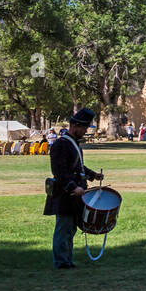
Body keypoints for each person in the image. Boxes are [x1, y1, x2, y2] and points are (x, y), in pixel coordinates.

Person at [45, 107, 102, 269]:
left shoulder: (72, 143)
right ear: (75, 126)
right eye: (83, 127)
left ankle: (67, 260)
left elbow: (78, 167)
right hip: (65, 194)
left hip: (75, 194)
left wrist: (93, 175)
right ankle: (62, 262)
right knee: (63, 228)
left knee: (70, 229)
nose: (85, 131)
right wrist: (72, 187)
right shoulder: (61, 144)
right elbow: (59, 171)